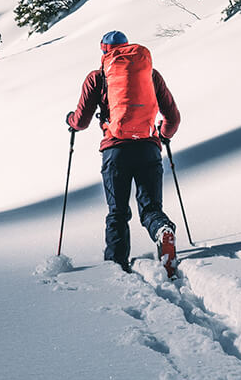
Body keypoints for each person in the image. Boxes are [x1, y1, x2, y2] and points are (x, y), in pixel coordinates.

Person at [66, 30, 182, 276]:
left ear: (104, 50)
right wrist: (164, 134)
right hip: (148, 148)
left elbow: (82, 120)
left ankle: (117, 266)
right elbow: (173, 116)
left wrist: (71, 121)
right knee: (151, 208)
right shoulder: (151, 74)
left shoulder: (97, 78)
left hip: (115, 150)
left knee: (117, 212)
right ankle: (162, 231)